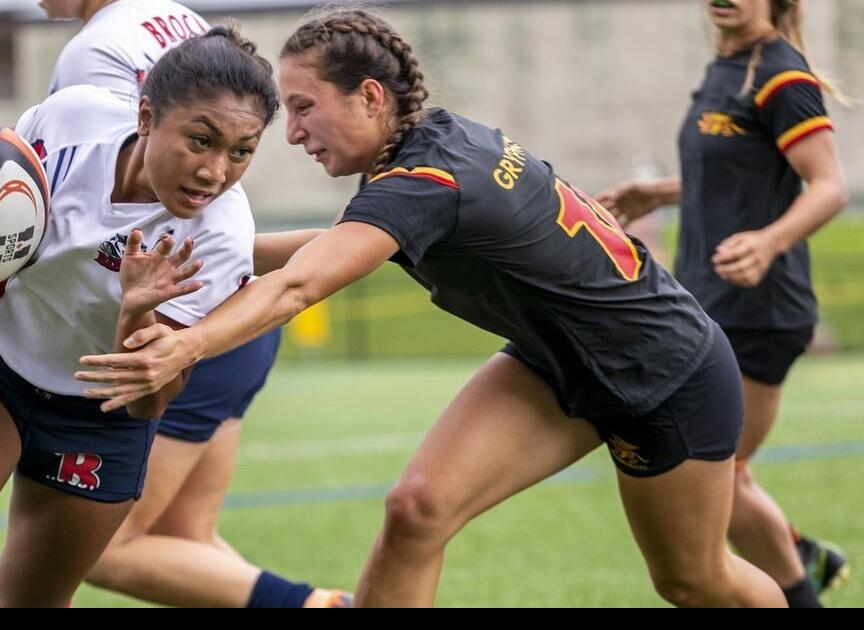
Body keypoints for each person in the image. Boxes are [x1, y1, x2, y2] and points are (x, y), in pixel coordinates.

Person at [75, 7, 790, 607]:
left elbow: (301, 285)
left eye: (301, 108)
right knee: (415, 510)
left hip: (664, 377)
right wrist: (210, 238)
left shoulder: (421, 182)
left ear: (369, 97)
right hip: (556, 364)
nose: (291, 133)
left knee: (696, 582)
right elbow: (338, 244)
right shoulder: (434, 148)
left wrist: (185, 344)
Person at [0, 27, 282, 607]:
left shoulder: (221, 236)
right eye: (201, 140)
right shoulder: (74, 118)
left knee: (30, 599)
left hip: (99, 420)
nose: (215, 171)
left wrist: (136, 309)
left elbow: (148, 403)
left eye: (241, 152)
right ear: (147, 117)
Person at [38, 0, 345, 607]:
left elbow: (110, 221)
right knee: (186, 537)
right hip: (235, 316)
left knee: (98, 547)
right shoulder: (176, 18)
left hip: (190, 321)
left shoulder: (92, 55)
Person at [597, 0, 849, 607]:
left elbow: (829, 184)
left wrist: (771, 240)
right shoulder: (727, 68)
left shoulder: (782, 75)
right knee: (724, 471)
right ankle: (801, 557)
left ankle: (798, 578)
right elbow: (745, 169)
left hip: (758, 310)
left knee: (716, 471)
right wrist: (658, 192)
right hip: (705, 303)